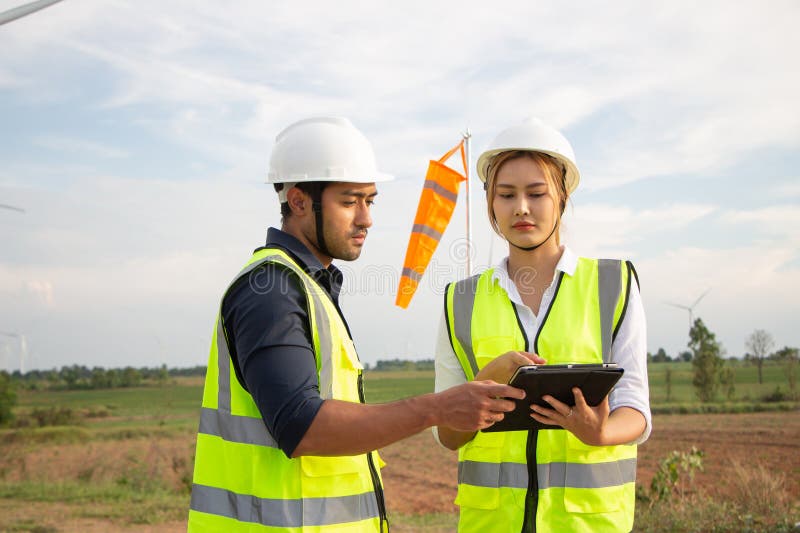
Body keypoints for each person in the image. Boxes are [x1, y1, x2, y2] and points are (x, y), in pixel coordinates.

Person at [187, 116, 526, 532]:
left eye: (370, 200)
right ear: (297, 201)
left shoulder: (307, 285)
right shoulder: (270, 290)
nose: (366, 218)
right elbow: (302, 426)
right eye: (349, 202)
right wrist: (437, 407)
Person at [434, 117, 651, 532]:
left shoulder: (613, 284)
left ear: (562, 197)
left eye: (536, 193)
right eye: (506, 194)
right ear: (489, 202)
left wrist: (599, 433)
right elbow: (447, 435)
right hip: (492, 523)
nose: (521, 207)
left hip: (587, 524)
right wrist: (482, 385)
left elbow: (637, 410)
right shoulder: (459, 301)